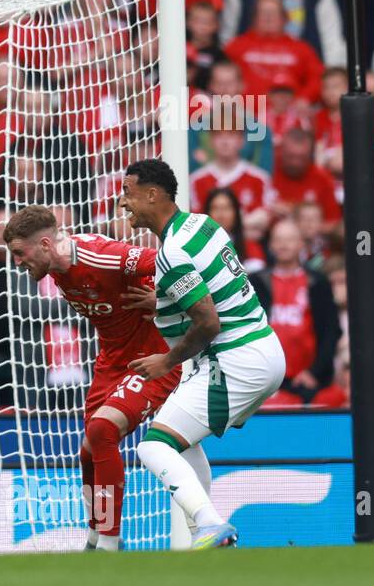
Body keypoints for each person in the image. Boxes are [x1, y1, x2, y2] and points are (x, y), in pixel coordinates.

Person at [118, 158, 287, 550]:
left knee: (153, 446)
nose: (124, 202)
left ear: (152, 194)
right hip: (263, 345)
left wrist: (166, 361)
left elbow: (209, 322)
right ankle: (207, 535)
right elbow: (217, 288)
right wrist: (162, 302)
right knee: (182, 439)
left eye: (128, 193)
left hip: (234, 359)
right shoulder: (203, 224)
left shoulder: (172, 252)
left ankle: (209, 523)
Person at [3, 205, 188, 551]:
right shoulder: (55, 266)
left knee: (103, 431)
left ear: (44, 245)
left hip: (154, 356)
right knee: (88, 450)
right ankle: (95, 534)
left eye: (19, 253)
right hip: (112, 361)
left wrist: (161, 301)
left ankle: (109, 542)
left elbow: (172, 262)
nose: (17, 262)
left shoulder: (103, 256)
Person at [250, 218, 340, 405]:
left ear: (301, 244)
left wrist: (314, 372)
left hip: (307, 380)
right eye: (278, 239)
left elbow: (331, 331)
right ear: (271, 245)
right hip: (266, 379)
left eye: (290, 239)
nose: (284, 245)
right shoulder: (256, 282)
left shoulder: (318, 282)